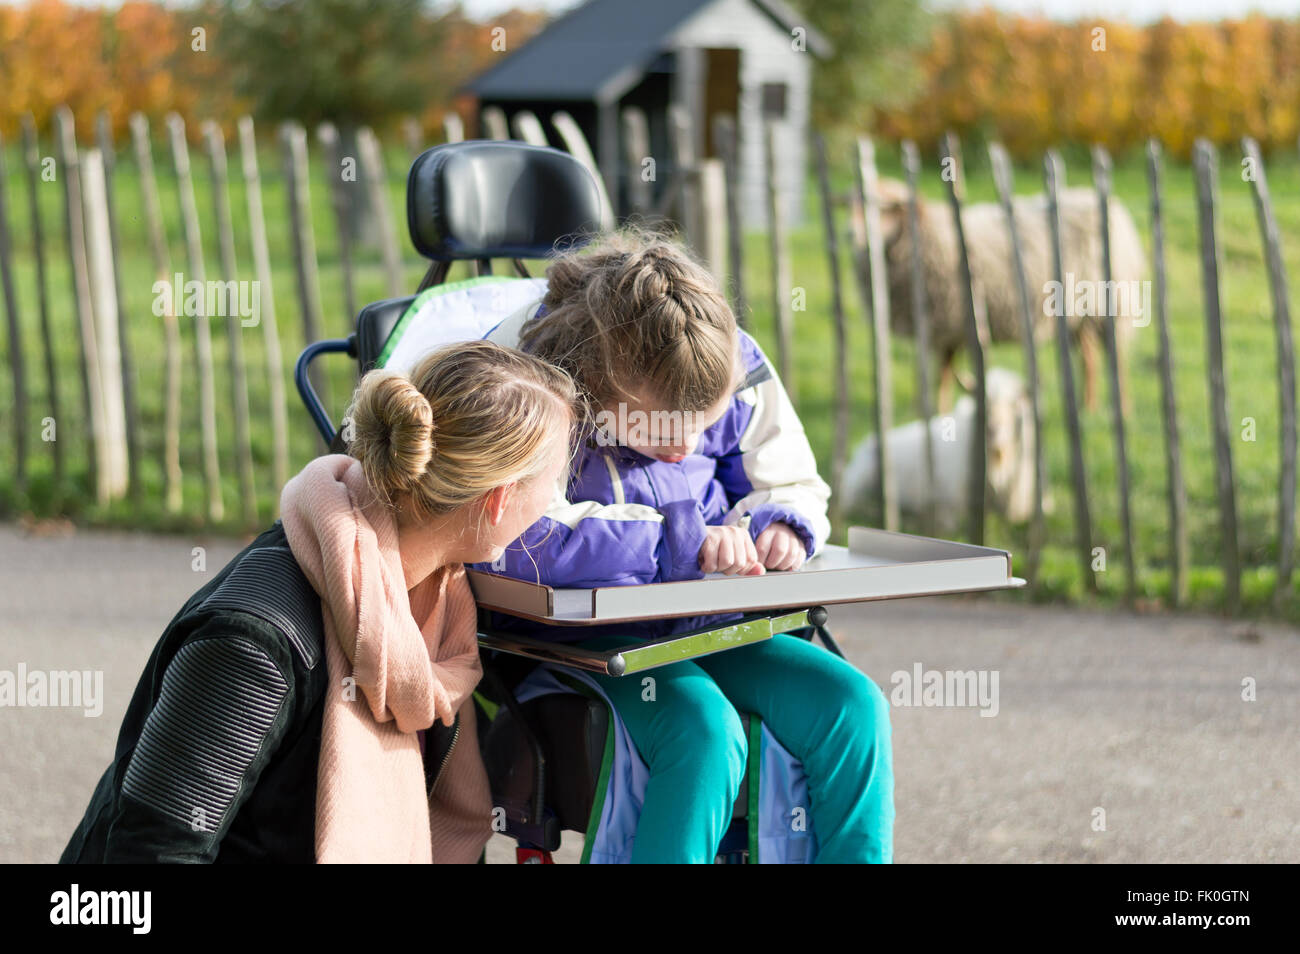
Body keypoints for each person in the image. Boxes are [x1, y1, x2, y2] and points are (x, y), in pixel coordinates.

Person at [60, 341, 579, 863]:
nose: (556, 503)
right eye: (554, 481)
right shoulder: (254, 643)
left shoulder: (438, 610)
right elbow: (150, 855)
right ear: (499, 500)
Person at [475, 231, 896, 863]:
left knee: (851, 705)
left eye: (705, 424)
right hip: (575, 642)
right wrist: (687, 542)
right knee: (702, 729)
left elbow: (789, 478)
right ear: (595, 385)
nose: (689, 445)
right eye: (666, 428)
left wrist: (779, 525)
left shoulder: (720, 354)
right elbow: (513, 539)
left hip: (703, 621)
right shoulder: (522, 383)